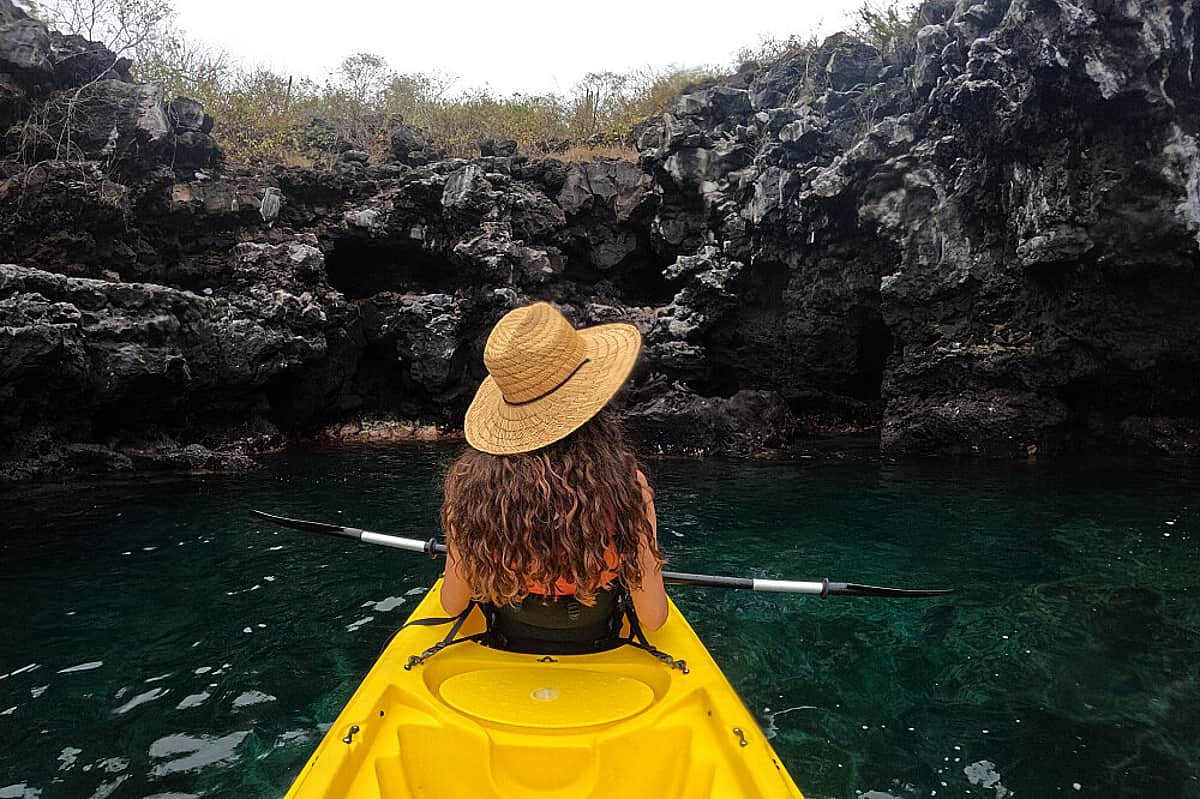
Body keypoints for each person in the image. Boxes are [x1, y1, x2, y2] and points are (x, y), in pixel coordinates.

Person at [438, 301, 668, 652]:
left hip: (507, 650)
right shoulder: (629, 489)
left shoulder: (469, 491)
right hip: (599, 649)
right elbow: (653, 617)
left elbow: (452, 605)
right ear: (591, 406)